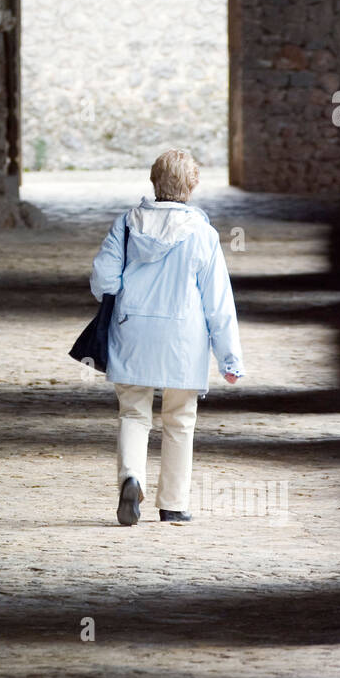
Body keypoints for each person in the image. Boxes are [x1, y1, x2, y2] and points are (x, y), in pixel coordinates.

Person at [89, 149, 244, 527]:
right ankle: (173, 503)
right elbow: (217, 302)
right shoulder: (203, 235)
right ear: (191, 186)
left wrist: (128, 294)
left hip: (132, 330)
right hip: (183, 336)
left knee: (133, 413)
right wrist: (229, 357)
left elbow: (103, 281)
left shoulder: (125, 225)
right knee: (179, 419)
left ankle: (131, 477)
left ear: (154, 182)